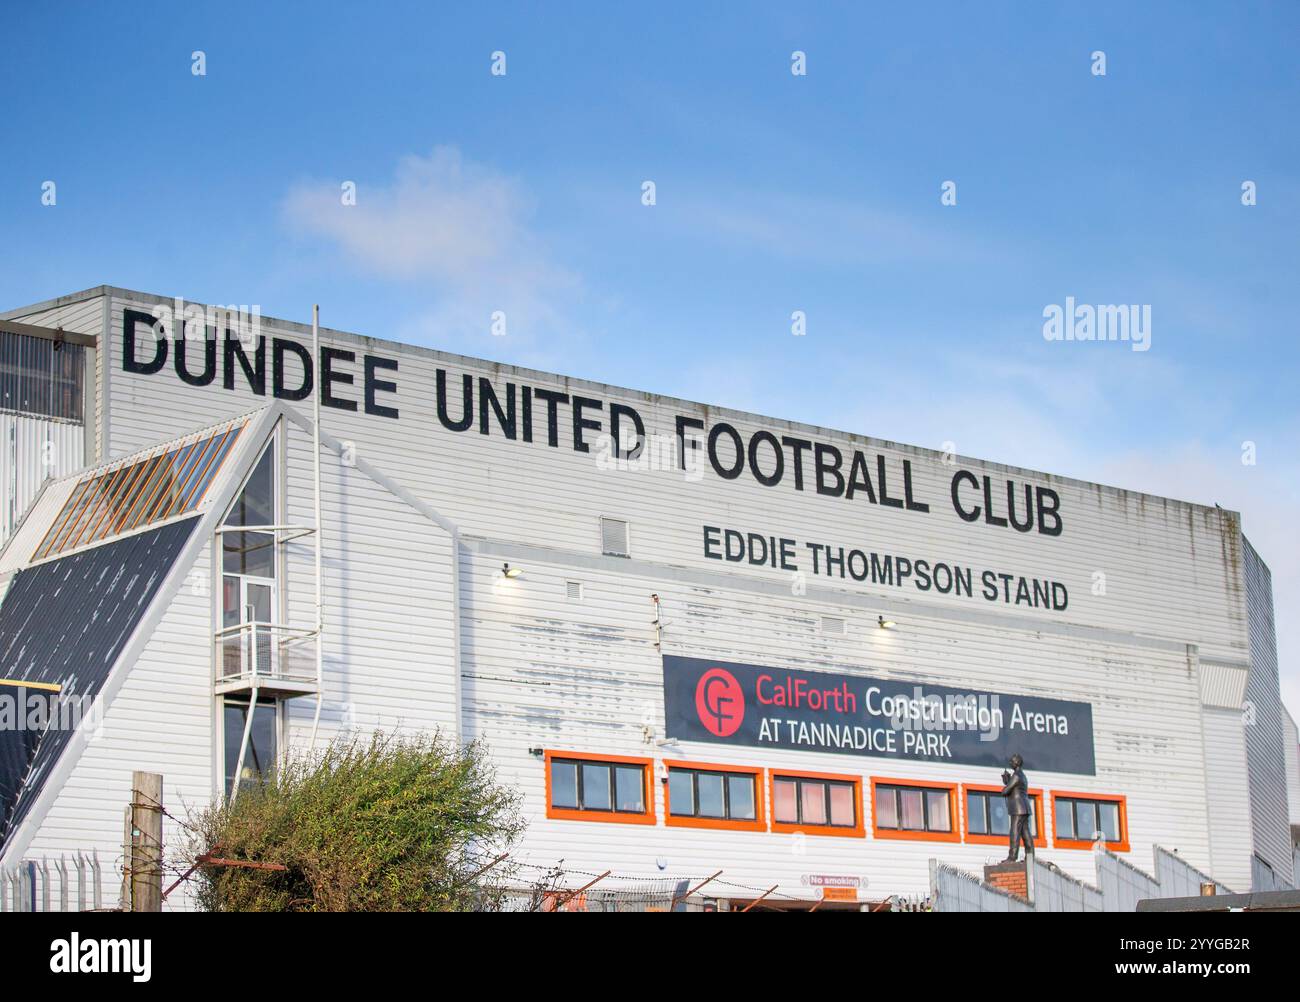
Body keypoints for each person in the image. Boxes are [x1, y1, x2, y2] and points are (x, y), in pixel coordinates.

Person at [1000, 753, 1034, 862]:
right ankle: (1030, 856)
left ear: (1016, 762)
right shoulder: (1022, 775)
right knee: (1025, 832)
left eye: (1012, 761)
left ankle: (1012, 857)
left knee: (1014, 831)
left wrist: (1006, 783)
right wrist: (1007, 780)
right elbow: (1014, 788)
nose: (1010, 763)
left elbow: (1006, 790)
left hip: (1018, 808)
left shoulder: (1016, 775)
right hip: (1024, 807)